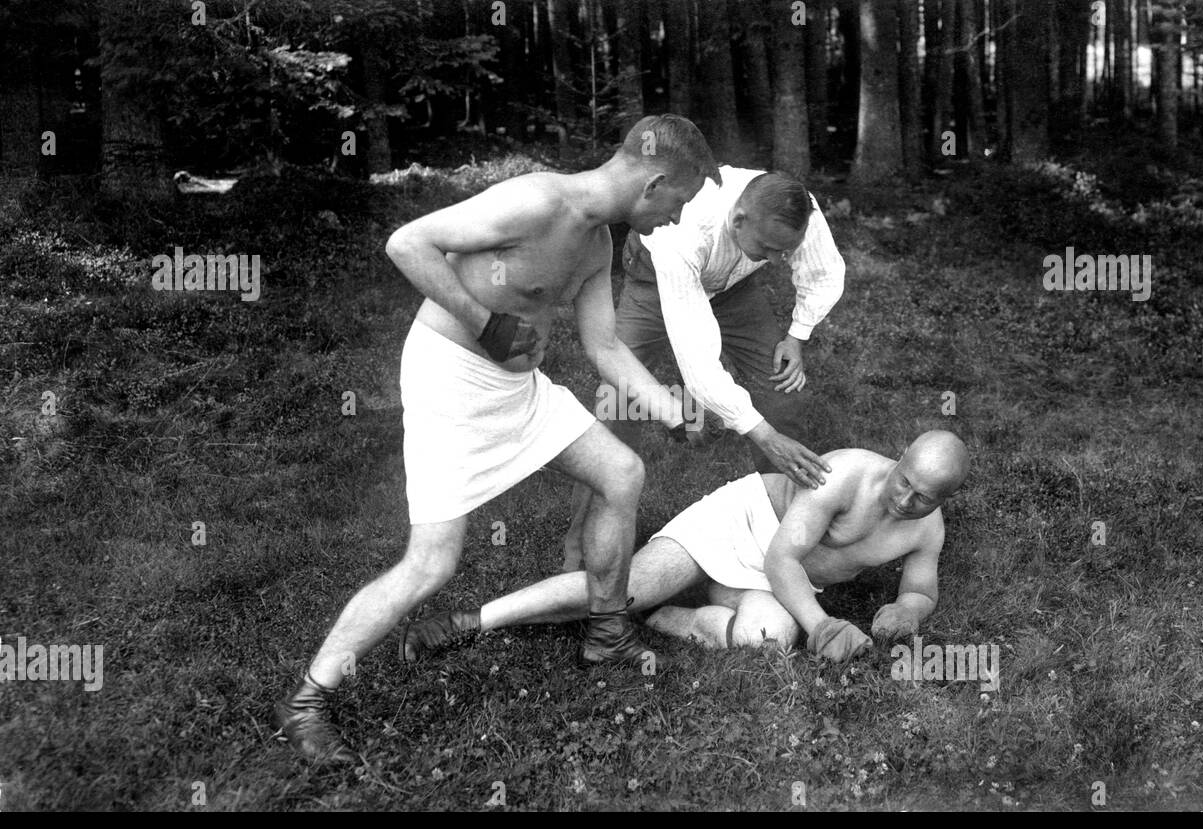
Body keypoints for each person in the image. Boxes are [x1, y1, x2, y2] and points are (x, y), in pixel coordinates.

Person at [275, 115, 722, 763]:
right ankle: (307, 699)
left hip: (520, 390)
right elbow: (407, 243)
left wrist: (664, 404)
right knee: (433, 563)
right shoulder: (535, 201)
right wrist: (486, 323)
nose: (676, 219)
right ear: (653, 183)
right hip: (451, 381)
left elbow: (602, 345)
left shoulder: (598, 246)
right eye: (678, 203)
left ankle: (604, 633)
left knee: (621, 473)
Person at [405, 431, 970, 664]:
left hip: (773, 578)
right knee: (620, 592)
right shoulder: (847, 474)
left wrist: (907, 610)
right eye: (904, 483)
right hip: (743, 527)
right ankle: (470, 621)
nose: (906, 502)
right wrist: (822, 625)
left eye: (924, 498)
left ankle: (668, 615)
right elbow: (783, 557)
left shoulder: (928, 527)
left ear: (944, 498)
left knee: (768, 642)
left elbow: (921, 585)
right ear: (898, 461)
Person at [563, 167, 848, 571]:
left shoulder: (800, 208)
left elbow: (824, 272)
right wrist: (761, 433)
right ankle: (583, 549)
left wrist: (797, 336)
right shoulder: (681, 231)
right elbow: (697, 357)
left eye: (785, 250)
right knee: (617, 402)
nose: (777, 260)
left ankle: (789, 532)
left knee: (782, 392)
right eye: (768, 248)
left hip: (734, 289)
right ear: (738, 219)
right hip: (655, 283)